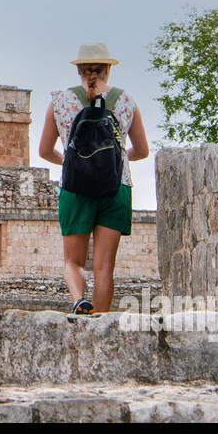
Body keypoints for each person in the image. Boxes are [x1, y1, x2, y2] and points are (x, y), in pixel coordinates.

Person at [38, 43, 150, 314]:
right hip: (116, 187)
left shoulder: (59, 102)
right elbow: (143, 151)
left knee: (73, 262)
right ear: (108, 70)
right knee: (104, 266)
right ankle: (100, 320)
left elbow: (43, 151)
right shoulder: (126, 102)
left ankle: (79, 300)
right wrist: (118, 157)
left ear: (78, 70)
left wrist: (74, 161)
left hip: (75, 187)